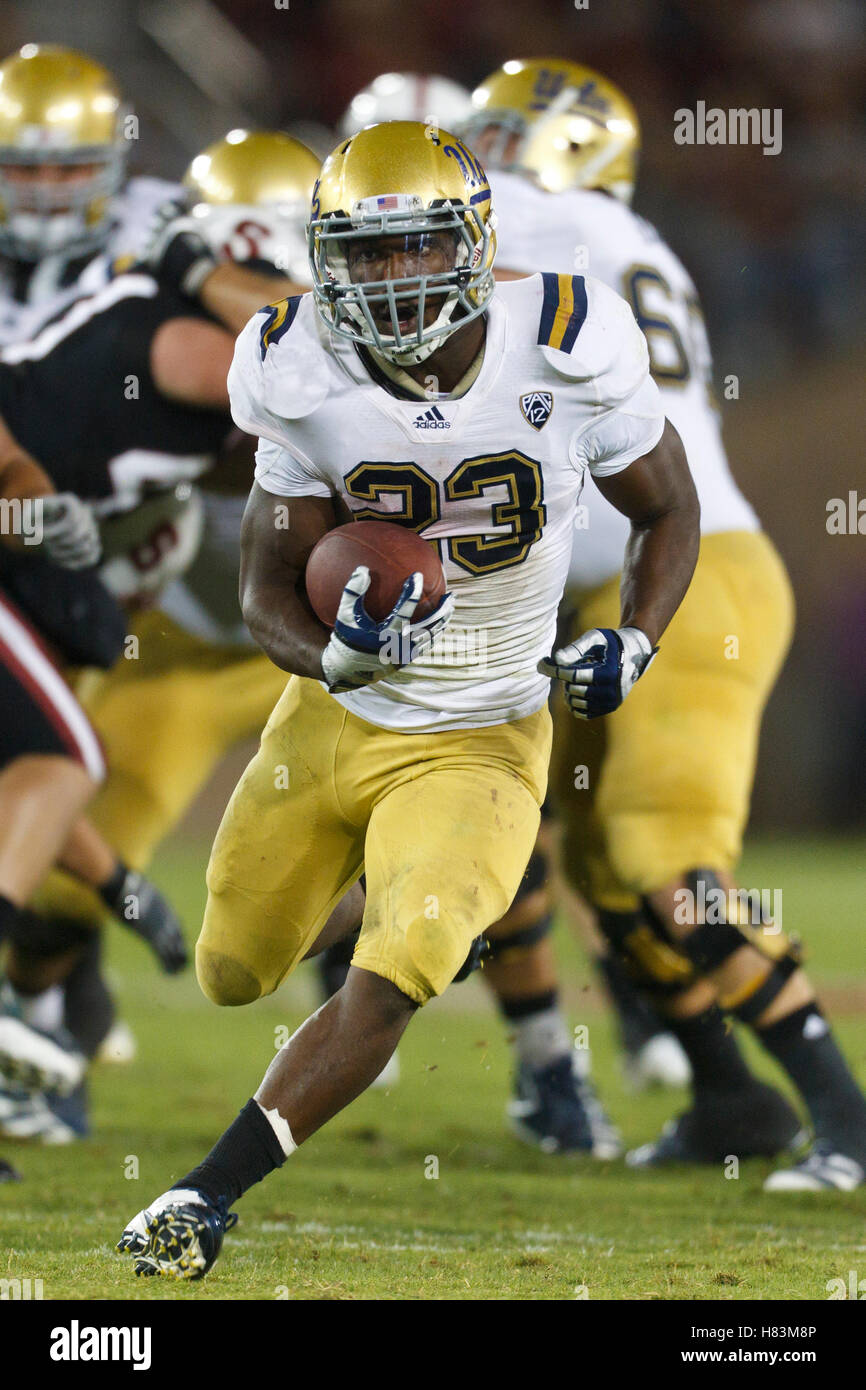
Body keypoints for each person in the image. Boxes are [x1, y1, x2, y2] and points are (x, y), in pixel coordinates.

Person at [118, 118, 699, 1279]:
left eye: (414, 248)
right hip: (333, 721)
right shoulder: (292, 359)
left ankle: (203, 1193)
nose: (389, 280)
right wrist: (329, 659)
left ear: (475, 242)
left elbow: (666, 507)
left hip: (481, 732)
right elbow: (267, 588)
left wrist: (633, 642)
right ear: (323, 257)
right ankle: (419, 903)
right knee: (232, 971)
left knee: (401, 963)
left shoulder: (569, 339)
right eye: (363, 255)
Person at [464, 58, 866, 1191]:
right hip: (626, 582)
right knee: (594, 861)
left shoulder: (543, 218)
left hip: (686, 578)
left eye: (494, 135)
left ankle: (842, 1109)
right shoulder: (626, 243)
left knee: (654, 857)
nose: (476, 156)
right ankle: (726, 1095)